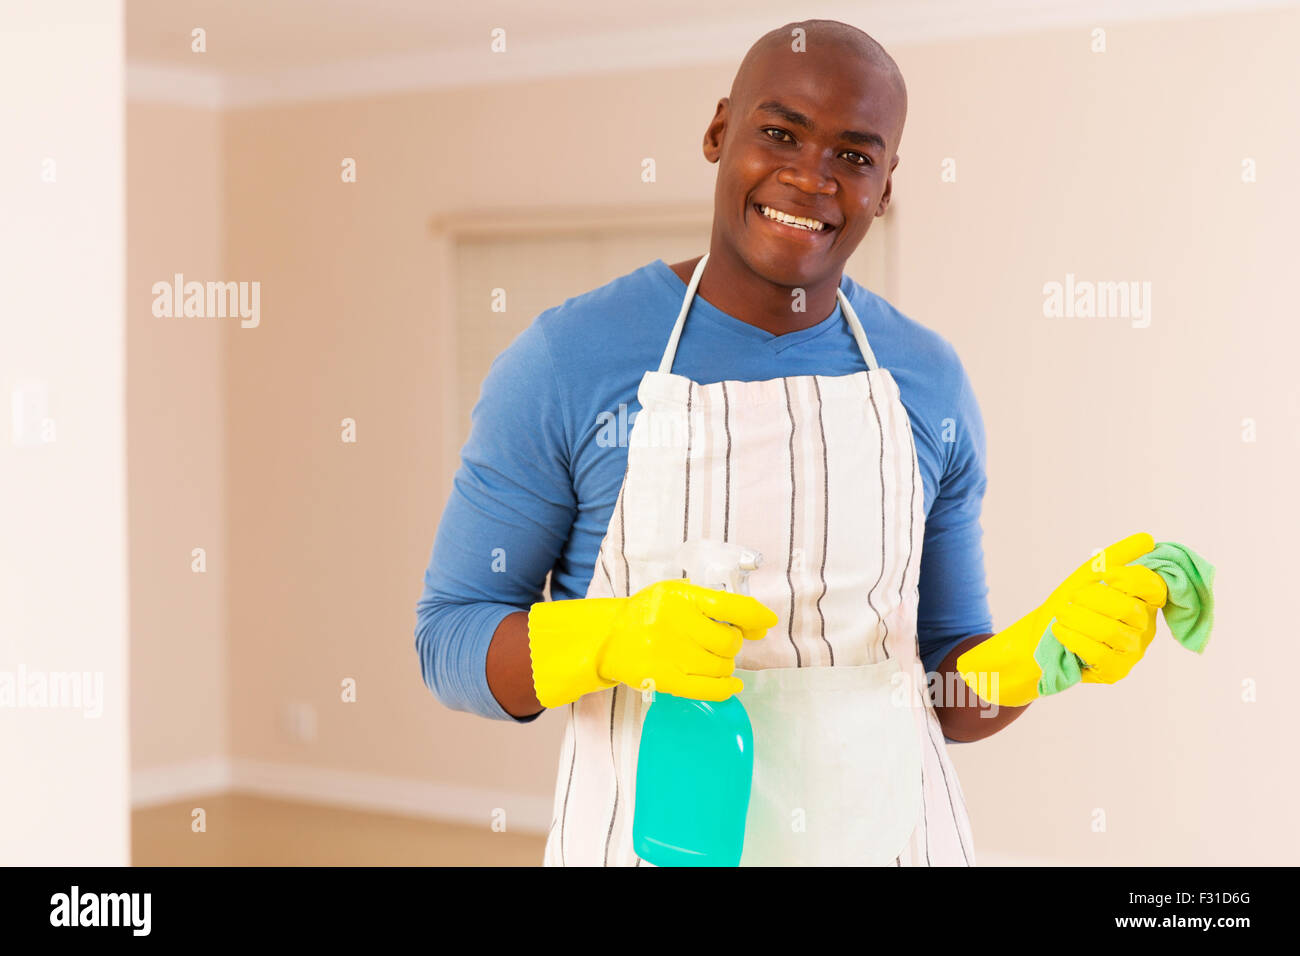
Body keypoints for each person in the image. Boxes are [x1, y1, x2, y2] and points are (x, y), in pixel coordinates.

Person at [415, 19, 1165, 866]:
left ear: (885, 188)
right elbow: (450, 641)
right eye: (779, 134)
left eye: (855, 155)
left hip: (897, 844)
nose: (811, 179)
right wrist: (606, 637)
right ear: (716, 133)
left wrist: (1037, 656)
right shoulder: (566, 362)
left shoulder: (927, 380)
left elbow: (944, 691)